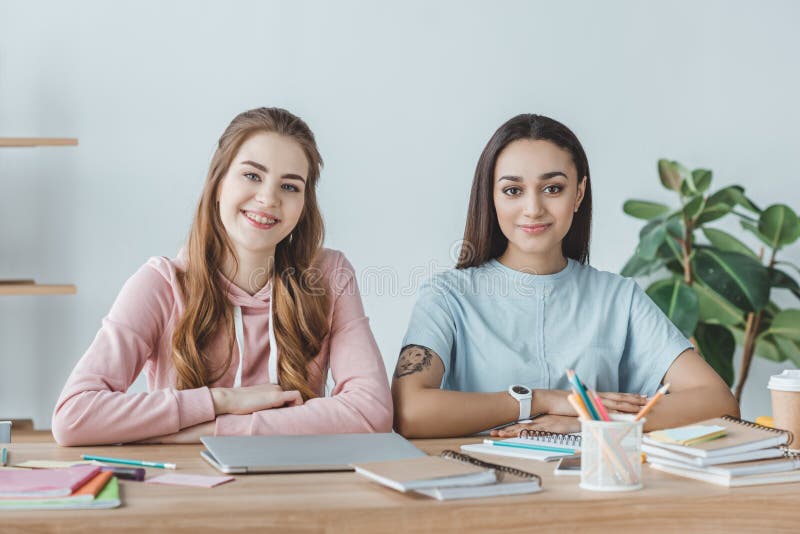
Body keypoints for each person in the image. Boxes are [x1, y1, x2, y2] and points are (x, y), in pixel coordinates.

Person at [52, 107, 392, 446]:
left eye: (289, 186)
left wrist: (215, 431)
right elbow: (74, 416)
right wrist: (224, 401)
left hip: (295, 487)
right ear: (217, 185)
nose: (268, 198)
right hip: (188, 489)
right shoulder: (161, 284)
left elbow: (372, 411)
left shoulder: (330, 274)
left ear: (303, 206)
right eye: (252, 176)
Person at [392, 113, 739, 439]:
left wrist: (591, 420)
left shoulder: (618, 297)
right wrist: (540, 400)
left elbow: (717, 400)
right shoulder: (447, 296)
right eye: (513, 190)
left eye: (553, 188)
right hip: (485, 489)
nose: (533, 208)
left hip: (594, 491)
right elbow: (408, 411)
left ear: (579, 193)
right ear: (491, 196)